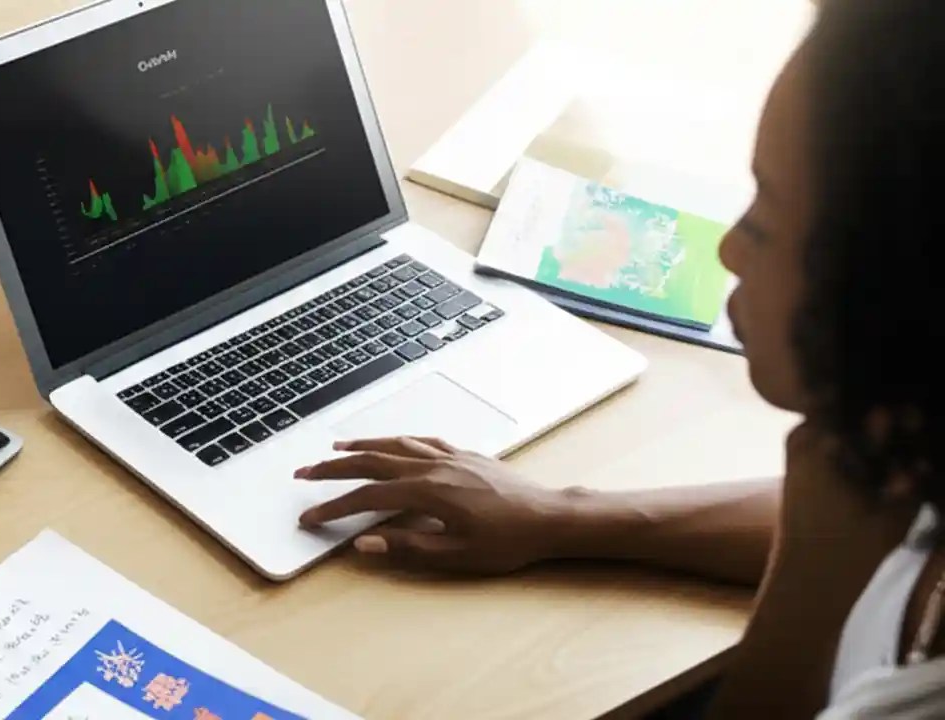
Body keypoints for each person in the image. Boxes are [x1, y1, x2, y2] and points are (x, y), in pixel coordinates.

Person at [296, 1, 945, 717]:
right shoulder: (905, 454)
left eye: (767, 214)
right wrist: (562, 516)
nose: (729, 250)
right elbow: (838, 510)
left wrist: (813, 587)